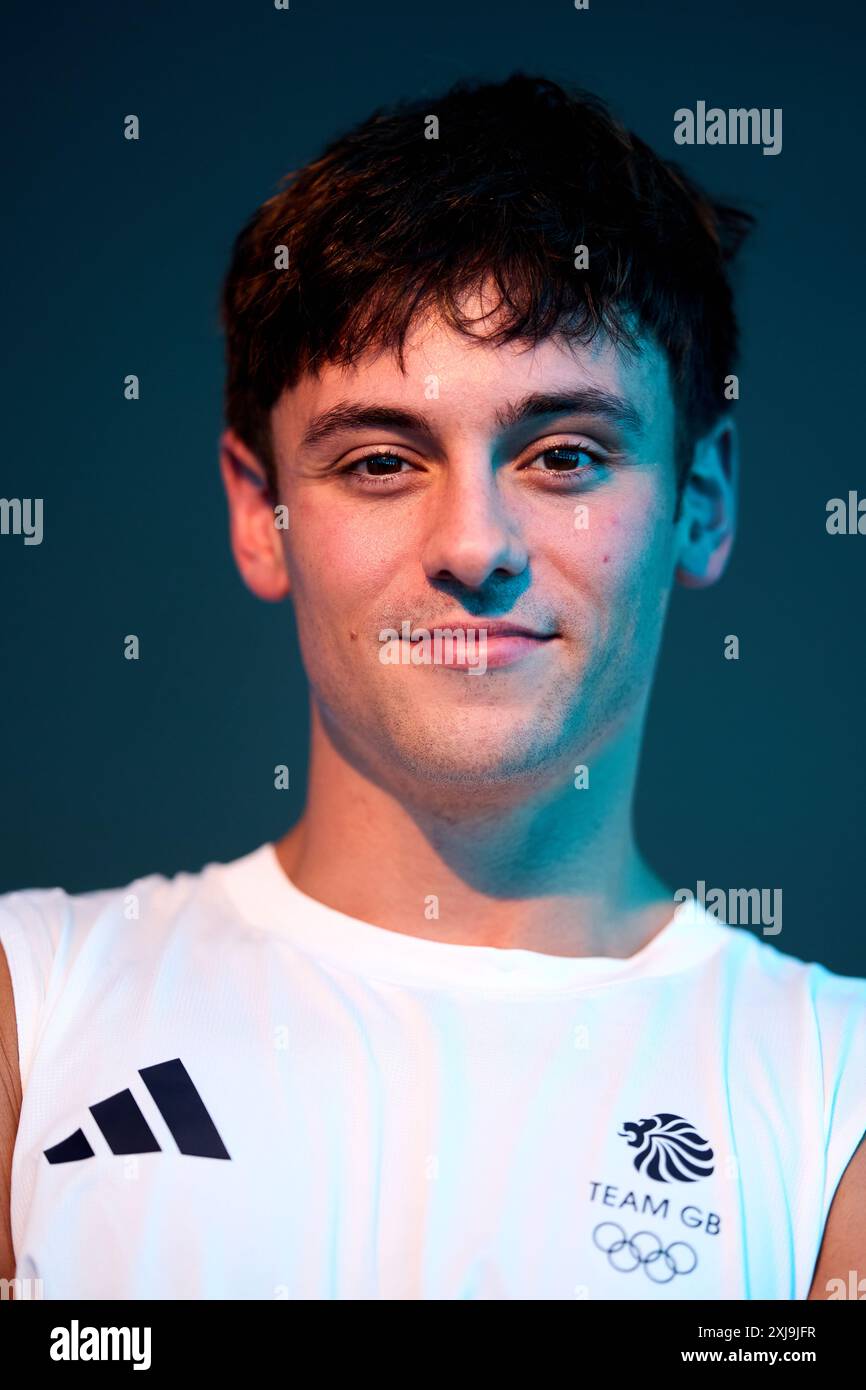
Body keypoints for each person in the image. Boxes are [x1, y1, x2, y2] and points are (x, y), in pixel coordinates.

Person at [1, 73, 864, 1301]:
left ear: (701, 500)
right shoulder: (29, 1009)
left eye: (563, 453)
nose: (475, 542)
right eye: (380, 459)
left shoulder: (838, 1100)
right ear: (262, 512)